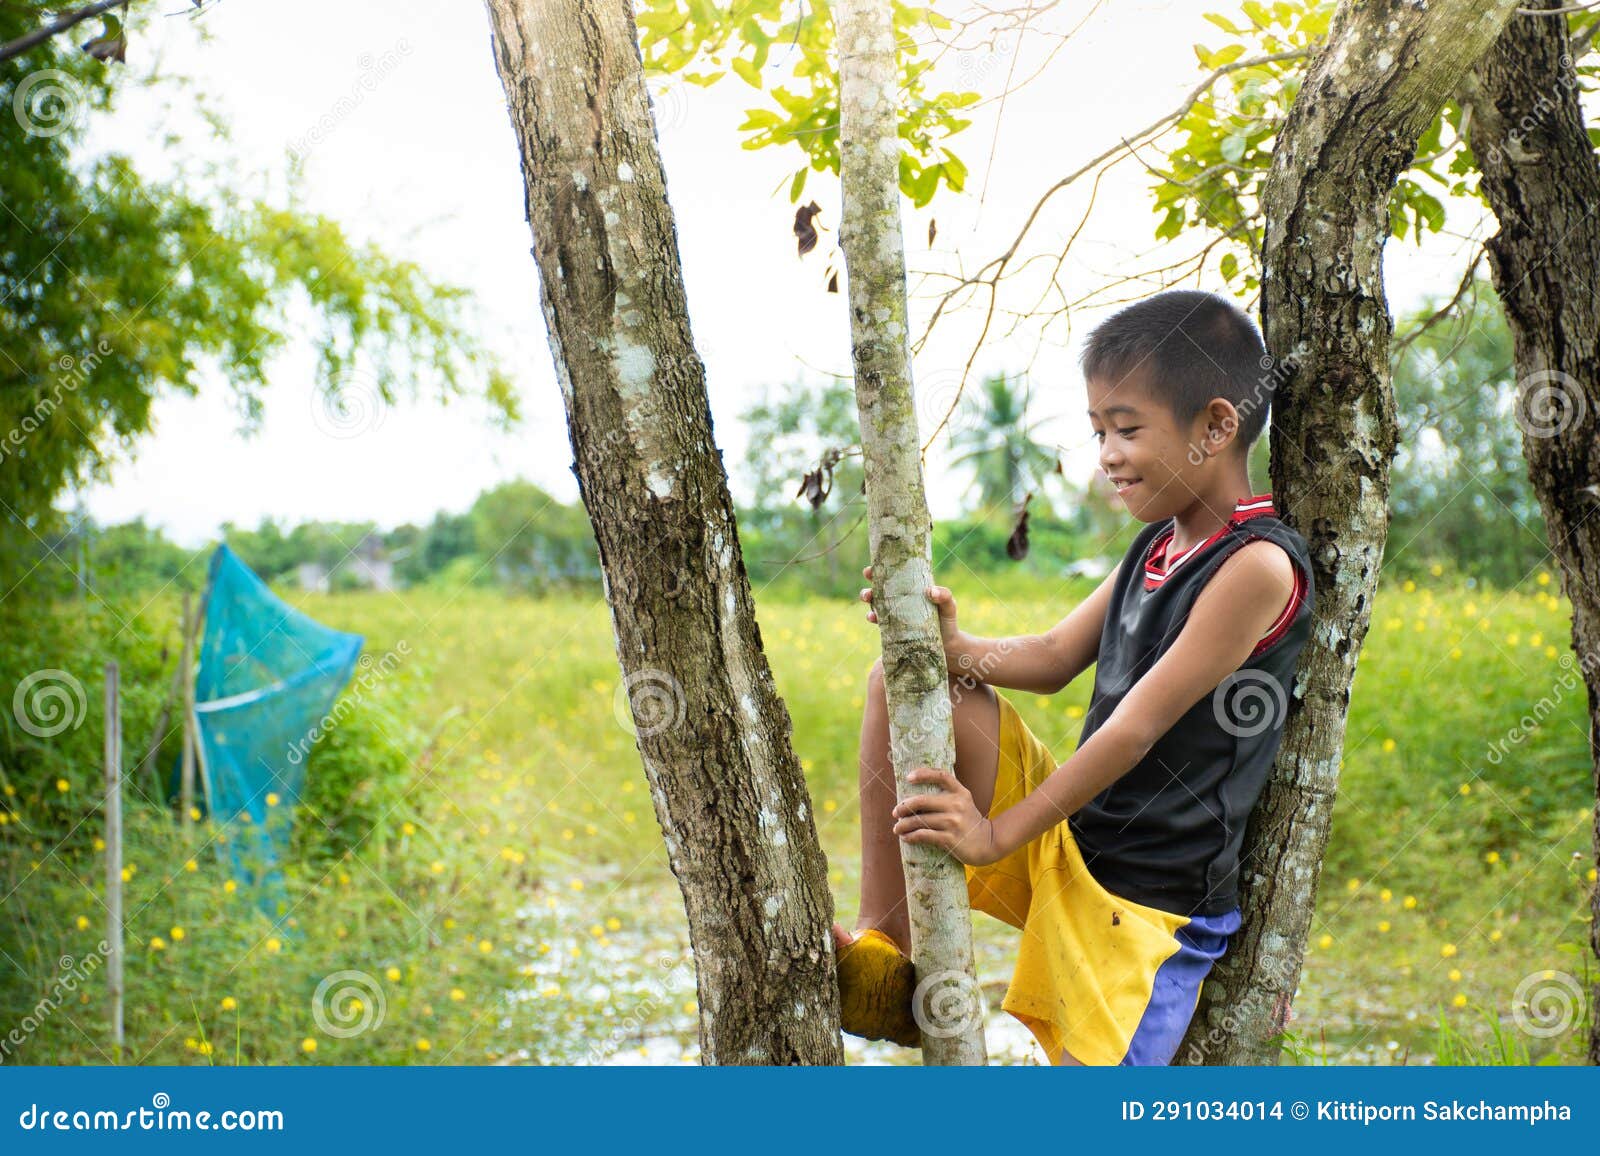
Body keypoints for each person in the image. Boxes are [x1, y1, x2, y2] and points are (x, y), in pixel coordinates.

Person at [831, 289, 1316, 1065]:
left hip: (1143, 909)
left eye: (1127, 430)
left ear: (1218, 425)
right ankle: (885, 947)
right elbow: (1057, 658)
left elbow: (1135, 729)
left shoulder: (1255, 565)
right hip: (1072, 848)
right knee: (900, 685)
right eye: (1099, 432)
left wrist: (994, 836)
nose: (1108, 456)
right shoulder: (1156, 544)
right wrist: (951, 645)